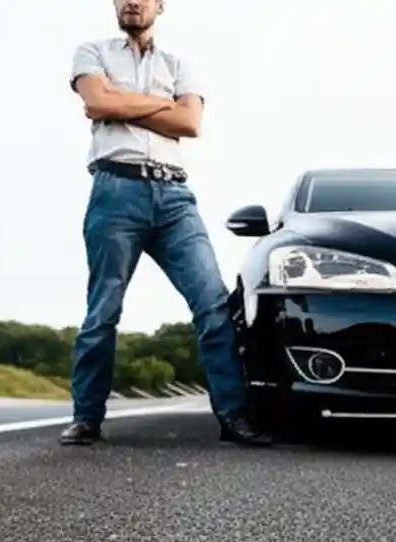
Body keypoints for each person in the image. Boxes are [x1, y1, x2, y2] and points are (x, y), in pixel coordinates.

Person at [59, 0, 272, 447]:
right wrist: (156, 108)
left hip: (175, 197)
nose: (132, 1)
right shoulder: (91, 52)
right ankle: (86, 417)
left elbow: (190, 121)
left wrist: (122, 105)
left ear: (161, 6)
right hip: (116, 189)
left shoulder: (179, 65)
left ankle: (235, 415)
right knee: (104, 308)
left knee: (213, 304)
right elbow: (97, 101)